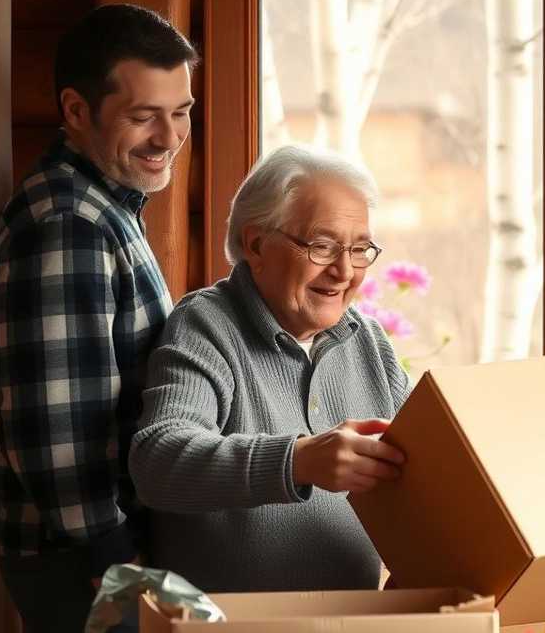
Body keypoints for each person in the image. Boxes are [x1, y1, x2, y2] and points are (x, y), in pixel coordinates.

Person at [0, 4, 197, 631]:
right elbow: (52, 424)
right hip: (85, 556)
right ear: (78, 111)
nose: (169, 137)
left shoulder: (106, 205)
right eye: (143, 116)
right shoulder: (69, 224)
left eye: (181, 111)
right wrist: (115, 558)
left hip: (98, 546)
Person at [129, 145, 409, 592]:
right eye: (322, 246)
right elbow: (158, 461)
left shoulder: (370, 342)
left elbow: (427, 475)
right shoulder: (207, 325)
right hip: (230, 621)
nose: (344, 271)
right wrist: (297, 460)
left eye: (359, 249)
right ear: (256, 244)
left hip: (355, 618)